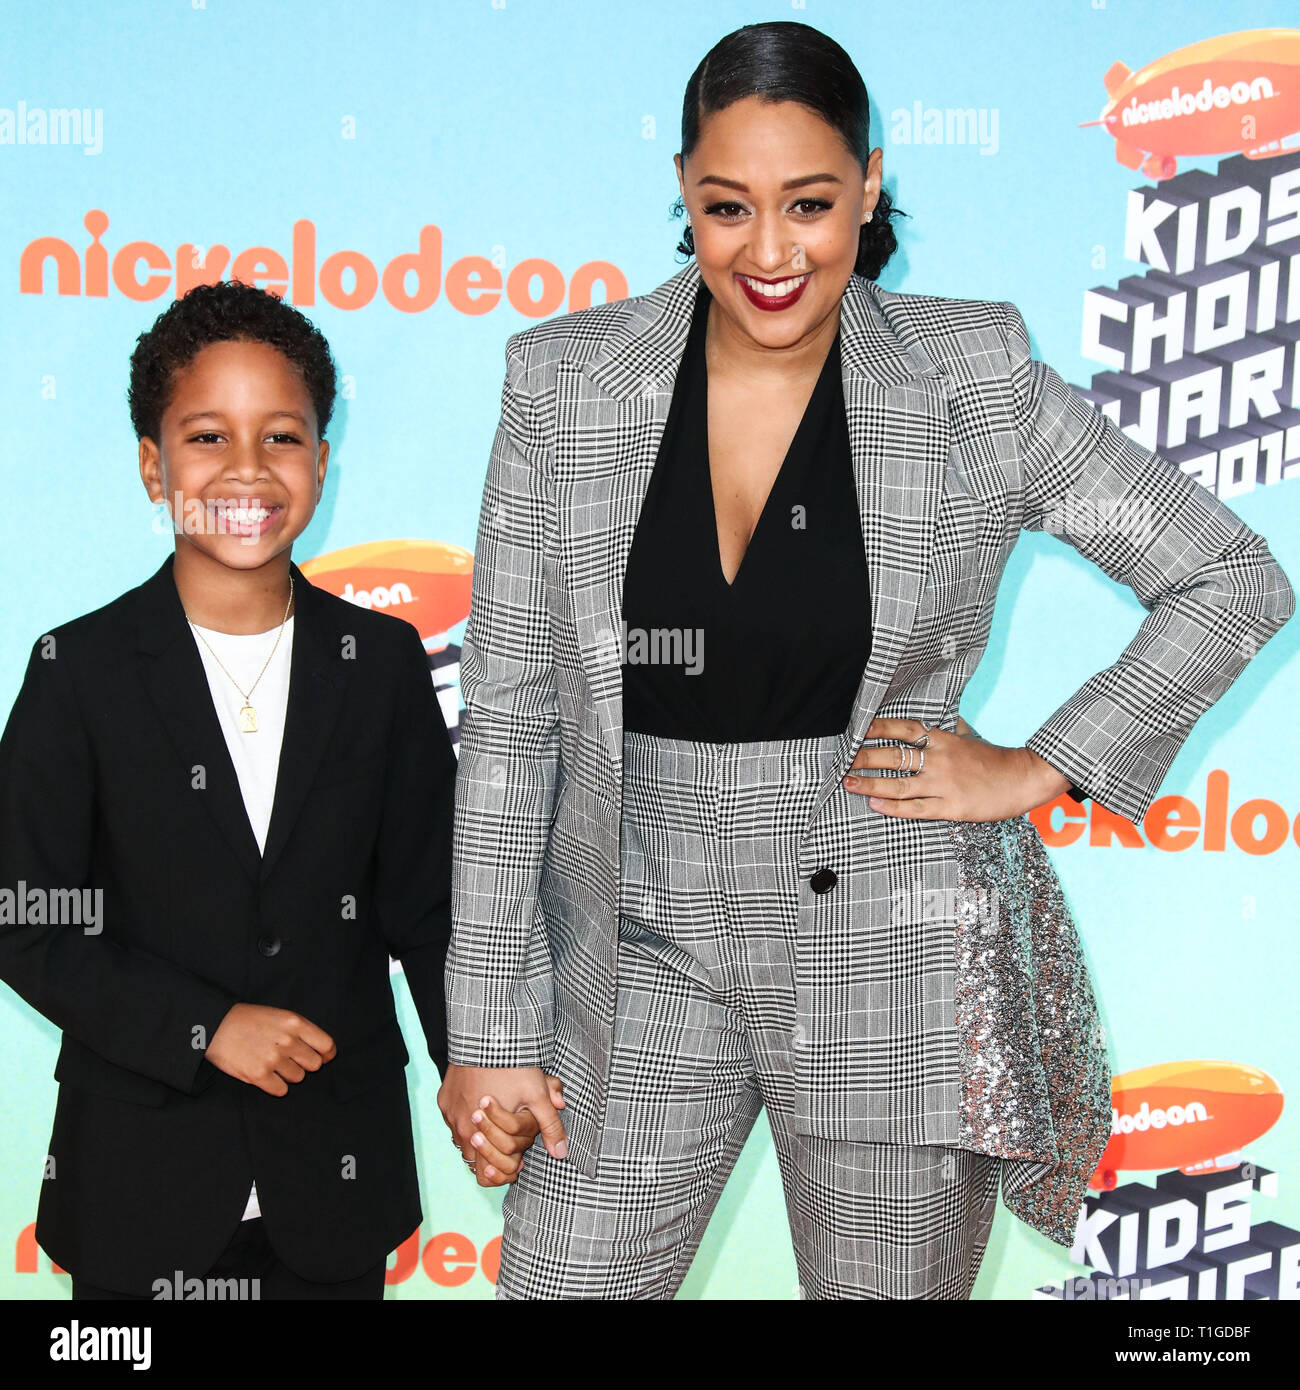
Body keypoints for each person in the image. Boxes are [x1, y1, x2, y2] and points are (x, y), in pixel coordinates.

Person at [439, 21, 1294, 1300]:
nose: (769, 253)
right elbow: (508, 726)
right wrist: (491, 1030)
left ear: (872, 184)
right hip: (637, 941)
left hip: (890, 942)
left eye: (811, 204)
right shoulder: (565, 384)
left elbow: (1229, 573)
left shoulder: (971, 376)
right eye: (728, 207)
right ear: (683, 190)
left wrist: (1040, 763)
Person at [0, 280, 540, 1301]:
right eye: (207, 437)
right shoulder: (82, 668)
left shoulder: (377, 663)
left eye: (282, 436)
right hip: (136, 1185)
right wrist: (208, 1028)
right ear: (153, 465)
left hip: (334, 1187)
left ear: (323, 461)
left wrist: (472, 1064)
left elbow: (429, 909)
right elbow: (26, 921)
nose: (246, 469)